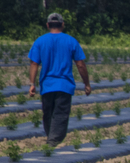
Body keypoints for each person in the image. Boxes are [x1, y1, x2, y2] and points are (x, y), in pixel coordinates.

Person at [27, 12, 90, 147]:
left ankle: (51, 139)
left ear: (48, 25)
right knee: (60, 114)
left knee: (48, 114)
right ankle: (52, 141)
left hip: (47, 85)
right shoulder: (71, 41)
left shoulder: (40, 41)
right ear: (62, 24)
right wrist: (87, 83)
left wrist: (32, 84)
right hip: (64, 85)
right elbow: (80, 64)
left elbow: (34, 63)